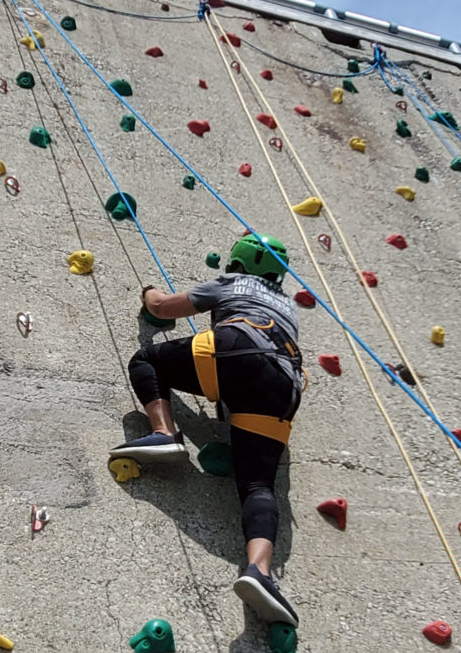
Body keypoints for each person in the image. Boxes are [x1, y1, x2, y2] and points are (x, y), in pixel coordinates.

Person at [111, 233, 304, 627]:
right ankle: (259, 571)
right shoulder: (288, 307)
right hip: (284, 385)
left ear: (238, 263)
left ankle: (165, 433)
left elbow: (164, 308)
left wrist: (149, 293)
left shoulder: (233, 283)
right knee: (258, 486)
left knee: (147, 360)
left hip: (233, 351)